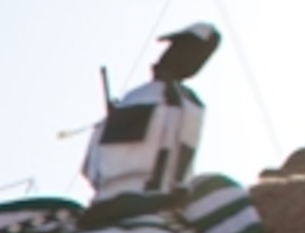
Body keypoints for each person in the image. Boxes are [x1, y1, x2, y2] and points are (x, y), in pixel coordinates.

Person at [84, 22, 219, 201]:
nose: (169, 54)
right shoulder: (139, 95)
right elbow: (92, 164)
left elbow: (176, 168)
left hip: (149, 201)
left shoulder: (184, 102)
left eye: (181, 49)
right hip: (109, 200)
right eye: (173, 48)